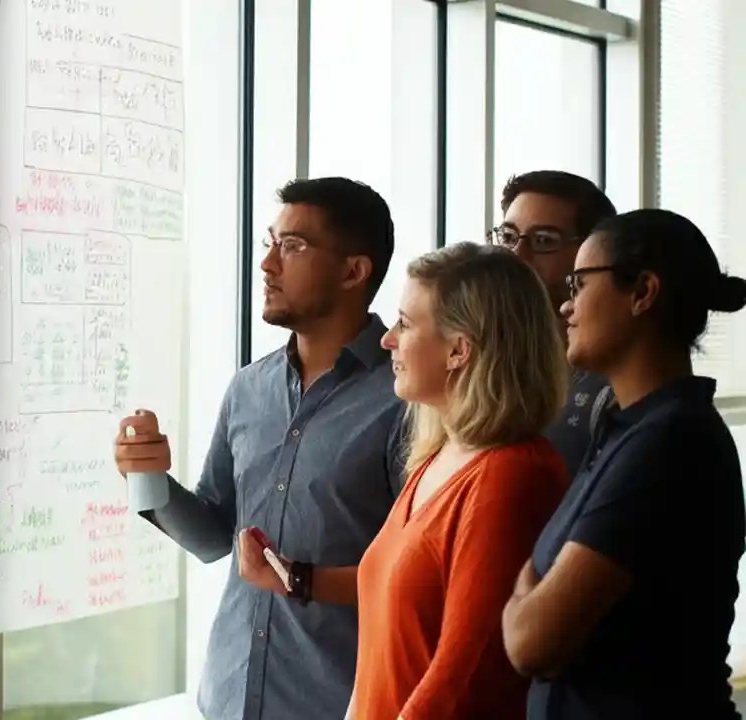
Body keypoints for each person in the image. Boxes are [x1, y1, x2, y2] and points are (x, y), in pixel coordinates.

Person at [115, 177, 404, 720]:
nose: (268, 264)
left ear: (353, 271)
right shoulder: (249, 388)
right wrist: (149, 477)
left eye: (292, 246)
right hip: (229, 696)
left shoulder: (405, 399)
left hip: (340, 701)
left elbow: (416, 576)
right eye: (270, 243)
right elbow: (212, 537)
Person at [239, 243, 569, 718]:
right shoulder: (437, 457)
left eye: (405, 324)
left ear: (459, 350)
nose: (387, 340)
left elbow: (464, 671)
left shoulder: (512, 474)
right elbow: (380, 659)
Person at [502, 209, 746, 718]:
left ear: (643, 293)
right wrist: (530, 594)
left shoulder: (670, 442)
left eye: (580, 283)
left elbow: (531, 644)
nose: (567, 305)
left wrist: (523, 596)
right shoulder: (624, 427)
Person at [491, 170, 619, 473]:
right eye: (508, 237)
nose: (517, 256)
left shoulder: (613, 386)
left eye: (544, 240)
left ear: (589, 253)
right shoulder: (477, 361)